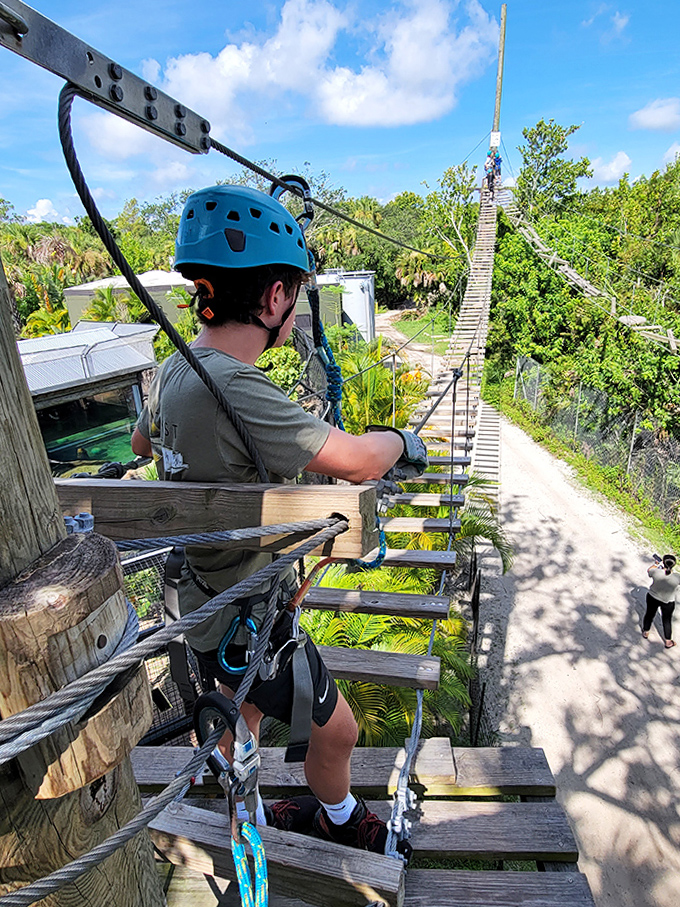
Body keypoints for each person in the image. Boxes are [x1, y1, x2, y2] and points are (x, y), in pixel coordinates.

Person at [131, 185, 424, 855]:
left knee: (245, 727)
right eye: (292, 294)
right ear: (273, 300)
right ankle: (336, 816)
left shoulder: (178, 369)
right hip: (253, 621)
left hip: (204, 606)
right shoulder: (236, 385)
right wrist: (403, 441)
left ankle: (251, 819)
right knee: (340, 731)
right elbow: (357, 461)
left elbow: (146, 444)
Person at [642, 554, 678, 648]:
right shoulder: (677, 577)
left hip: (652, 597)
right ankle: (668, 641)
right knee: (666, 620)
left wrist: (658, 564)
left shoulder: (656, 572)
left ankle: (646, 632)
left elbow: (649, 570)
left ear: (664, 563)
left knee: (649, 614)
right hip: (668, 601)